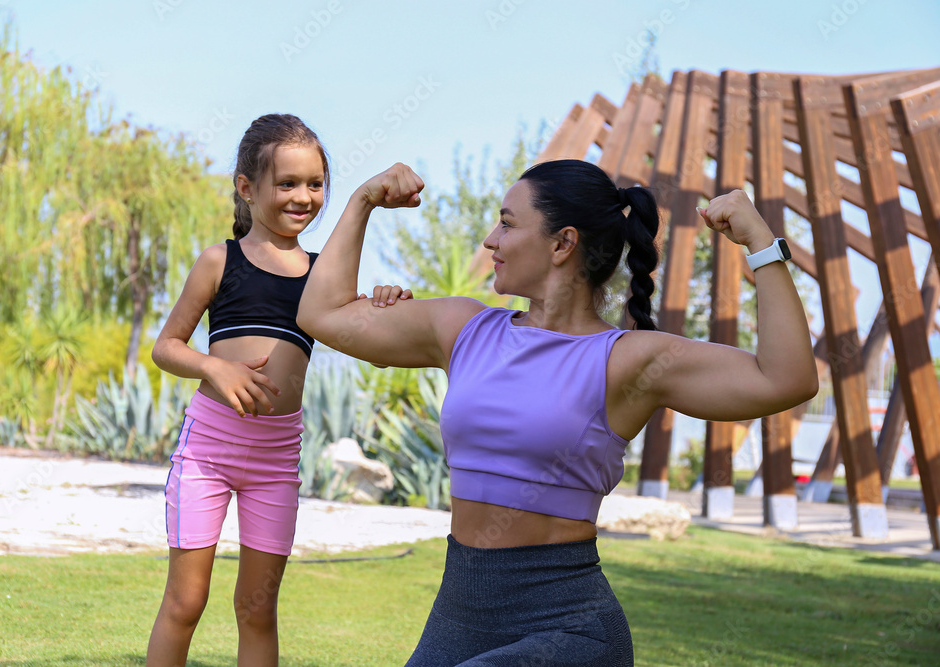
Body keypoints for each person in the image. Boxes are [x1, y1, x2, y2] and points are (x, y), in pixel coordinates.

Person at [297, 158, 819, 665]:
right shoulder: (462, 329)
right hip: (455, 620)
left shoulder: (628, 360)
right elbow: (321, 314)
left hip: (568, 630)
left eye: (507, 223)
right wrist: (363, 201)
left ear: (562, 243)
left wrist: (760, 243)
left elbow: (787, 379)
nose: (491, 240)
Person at [145, 114, 411, 667]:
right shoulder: (219, 261)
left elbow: (375, 348)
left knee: (257, 609)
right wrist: (216, 369)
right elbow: (166, 347)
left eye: (315, 184)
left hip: (275, 461)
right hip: (207, 452)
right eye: (287, 183)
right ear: (247, 188)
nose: (303, 197)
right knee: (186, 602)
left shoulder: (322, 276)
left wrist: (386, 304)